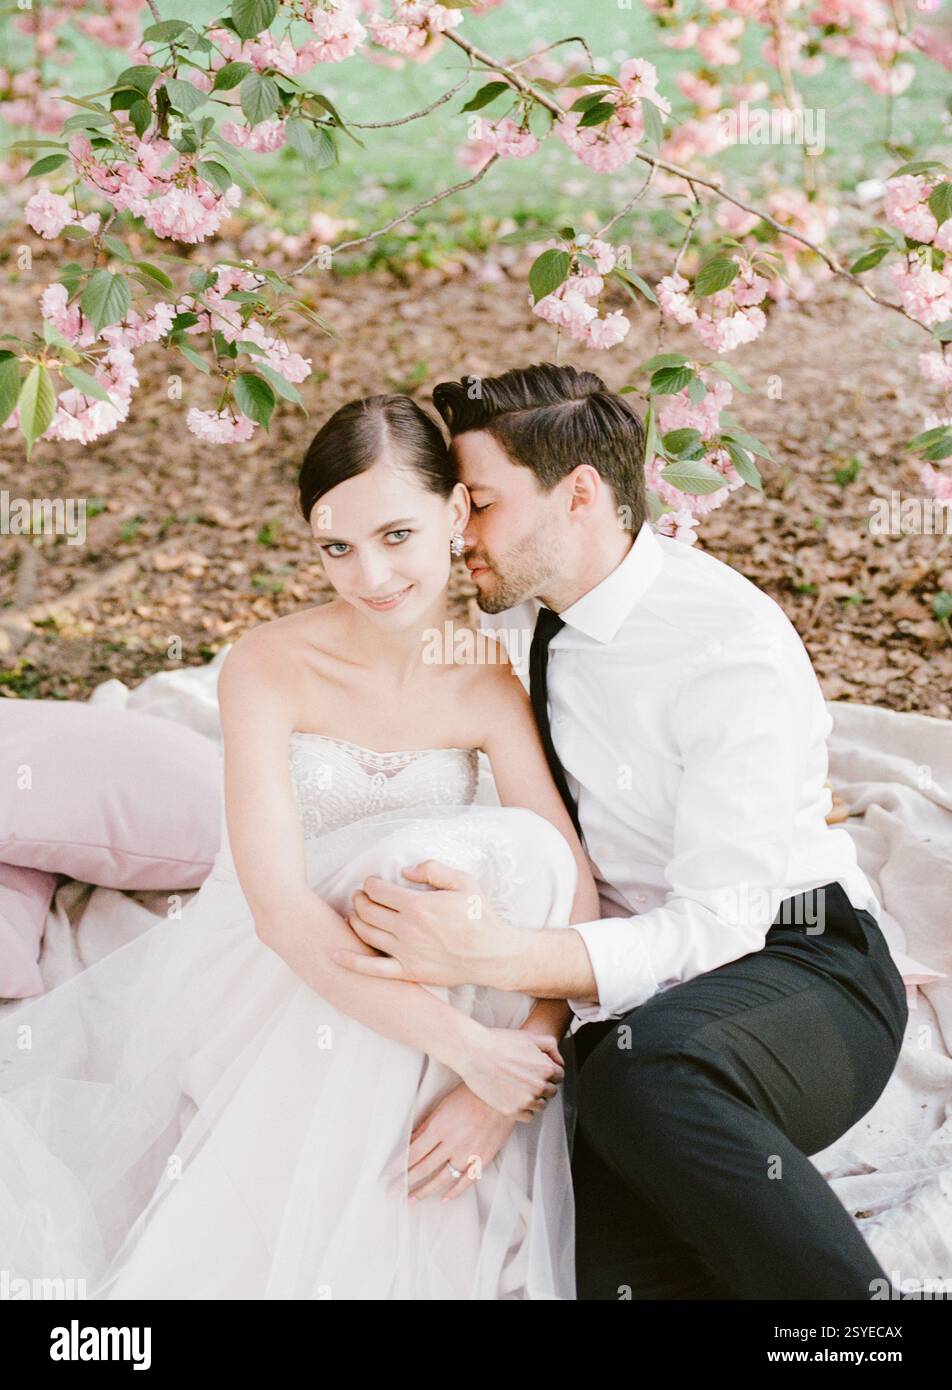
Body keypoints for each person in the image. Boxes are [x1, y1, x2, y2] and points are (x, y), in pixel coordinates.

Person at [0, 393, 600, 1301]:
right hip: (282, 970)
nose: (370, 574)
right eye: (337, 547)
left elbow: (570, 891)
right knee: (398, 877)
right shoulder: (268, 667)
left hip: (453, 982)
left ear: (452, 514)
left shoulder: (491, 681)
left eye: (397, 535)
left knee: (505, 851)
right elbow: (278, 909)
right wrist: (463, 1047)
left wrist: (509, 1075)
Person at [339, 363, 911, 1301]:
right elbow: (564, 860)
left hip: (803, 970)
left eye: (478, 504)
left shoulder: (726, 643)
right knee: (614, 1277)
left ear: (580, 494)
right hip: (632, 1017)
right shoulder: (519, 621)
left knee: (643, 1081)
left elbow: (720, 925)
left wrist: (499, 957)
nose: (460, 535)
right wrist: (507, 1065)